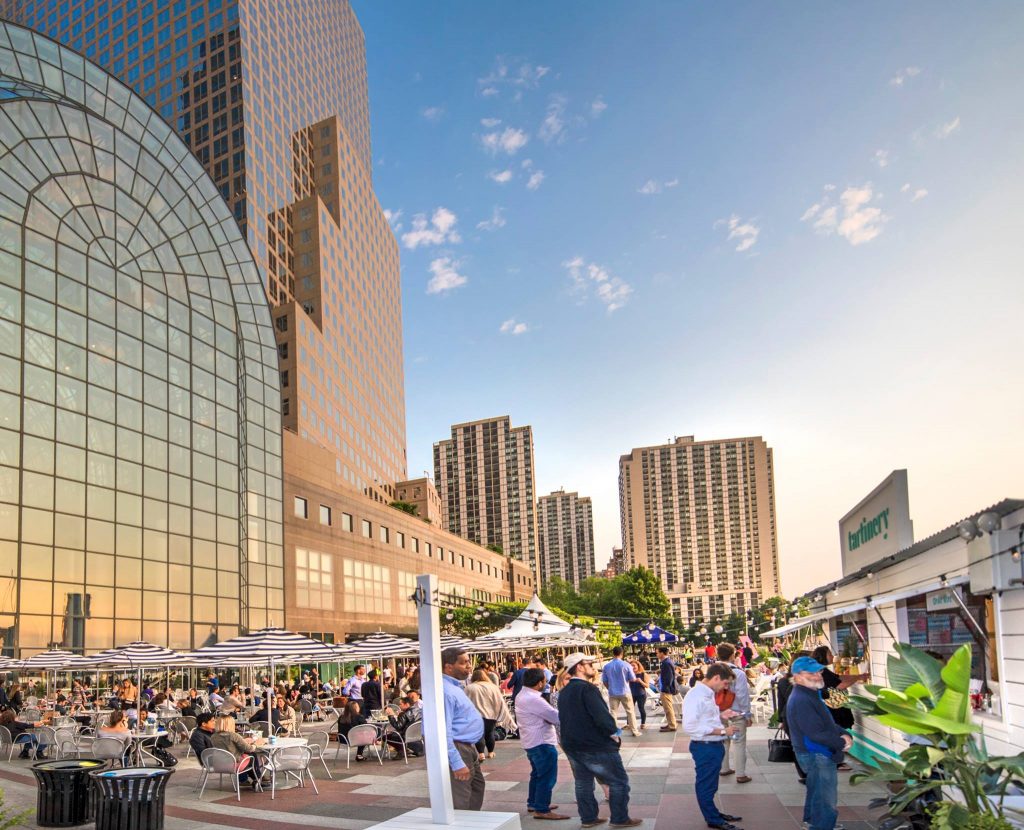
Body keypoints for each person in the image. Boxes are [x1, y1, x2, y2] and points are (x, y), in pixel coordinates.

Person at [558, 652, 641, 828]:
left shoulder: (564, 691)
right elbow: (602, 717)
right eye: (589, 664)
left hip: (572, 744)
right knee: (618, 782)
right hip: (595, 745)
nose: (593, 667)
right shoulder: (587, 689)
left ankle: (588, 818)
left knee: (583, 783)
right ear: (579, 667)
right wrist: (614, 734)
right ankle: (619, 819)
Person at [786, 656, 853, 830]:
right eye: (811, 673)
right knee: (825, 796)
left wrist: (843, 733)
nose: (817, 676)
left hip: (815, 752)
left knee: (816, 790)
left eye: (819, 671)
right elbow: (816, 733)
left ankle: (813, 822)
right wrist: (841, 742)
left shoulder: (809, 693)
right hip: (816, 753)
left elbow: (825, 723)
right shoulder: (802, 698)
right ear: (797, 676)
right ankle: (822, 825)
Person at [681, 662, 743, 830]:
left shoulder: (706, 693)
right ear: (716, 678)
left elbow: (704, 717)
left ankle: (713, 814)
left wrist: (722, 714)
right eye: (725, 683)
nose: (726, 687)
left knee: (710, 784)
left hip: (711, 746)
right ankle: (713, 819)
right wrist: (723, 731)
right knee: (706, 786)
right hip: (705, 747)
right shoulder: (696, 695)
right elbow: (690, 727)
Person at [516, 667, 568, 820]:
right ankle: (542, 809)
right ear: (539, 683)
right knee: (547, 776)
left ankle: (534, 803)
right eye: (544, 681)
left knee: (537, 774)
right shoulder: (535, 699)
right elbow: (555, 717)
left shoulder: (522, 694)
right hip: (541, 742)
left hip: (530, 741)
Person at [441, 646, 486, 811]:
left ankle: (471, 821)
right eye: (464, 663)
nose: (469, 666)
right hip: (458, 747)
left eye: (469, 662)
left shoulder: (454, 686)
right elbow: (443, 731)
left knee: (477, 788)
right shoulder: (445, 691)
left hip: (467, 746)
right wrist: (456, 762)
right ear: (448, 667)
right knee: (462, 798)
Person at [811, 646, 868, 771]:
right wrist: (857, 678)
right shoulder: (822, 671)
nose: (832, 656)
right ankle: (836, 761)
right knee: (835, 733)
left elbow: (838, 678)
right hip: (833, 708)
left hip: (831, 707)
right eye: (829, 654)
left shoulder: (823, 670)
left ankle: (834, 760)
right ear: (823, 656)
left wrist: (858, 676)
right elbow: (840, 685)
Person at [717, 643, 753, 784]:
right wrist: (747, 714)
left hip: (719, 712)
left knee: (723, 740)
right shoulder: (738, 673)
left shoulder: (712, 672)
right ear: (732, 655)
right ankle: (740, 774)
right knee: (738, 742)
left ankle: (724, 768)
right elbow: (742, 696)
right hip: (736, 713)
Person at [464, 668, 512, 761]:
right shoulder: (492, 687)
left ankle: (481, 754)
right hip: (491, 715)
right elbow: (499, 701)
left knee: (479, 734)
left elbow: (465, 702)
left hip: (476, 715)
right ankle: (490, 752)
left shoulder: (469, 687)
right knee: (489, 733)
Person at [211, 715, 261, 788]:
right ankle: (257, 779)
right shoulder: (234, 735)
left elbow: (227, 745)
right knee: (252, 755)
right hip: (233, 764)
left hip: (219, 764)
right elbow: (249, 748)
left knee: (248, 756)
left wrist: (243, 741)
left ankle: (245, 779)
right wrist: (256, 744)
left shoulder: (214, 736)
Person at [601, 646, 641, 737]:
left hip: (612, 692)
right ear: (622, 654)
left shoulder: (606, 666)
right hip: (625, 691)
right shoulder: (626, 665)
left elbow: (604, 681)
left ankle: (614, 732)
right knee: (630, 712)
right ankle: (634, 731)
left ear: (613, 654)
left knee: (613, 712)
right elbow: (632, 678)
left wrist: (610, 688)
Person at [657, 647, 679, 732]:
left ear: (662, 653)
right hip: (666, 688)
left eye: (657, 653)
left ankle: (672, 725)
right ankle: (671, 723)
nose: (657, 654)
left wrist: (665, 688)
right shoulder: (666, 662)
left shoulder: (666, 663)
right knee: (668, 708)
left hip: (666, 689)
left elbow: (669, 677)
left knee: (668, 708)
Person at [628, 660, 649, 731]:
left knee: (641, 708)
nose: (633, 667)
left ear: (638, 666)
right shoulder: (629, 675)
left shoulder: (643, 674)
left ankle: (643, 723)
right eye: (631, 666)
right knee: (630, 709)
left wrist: (640, 681)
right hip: (631, 694)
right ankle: (629, 724)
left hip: (641, 694)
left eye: (634, 665)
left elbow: (647, 686)